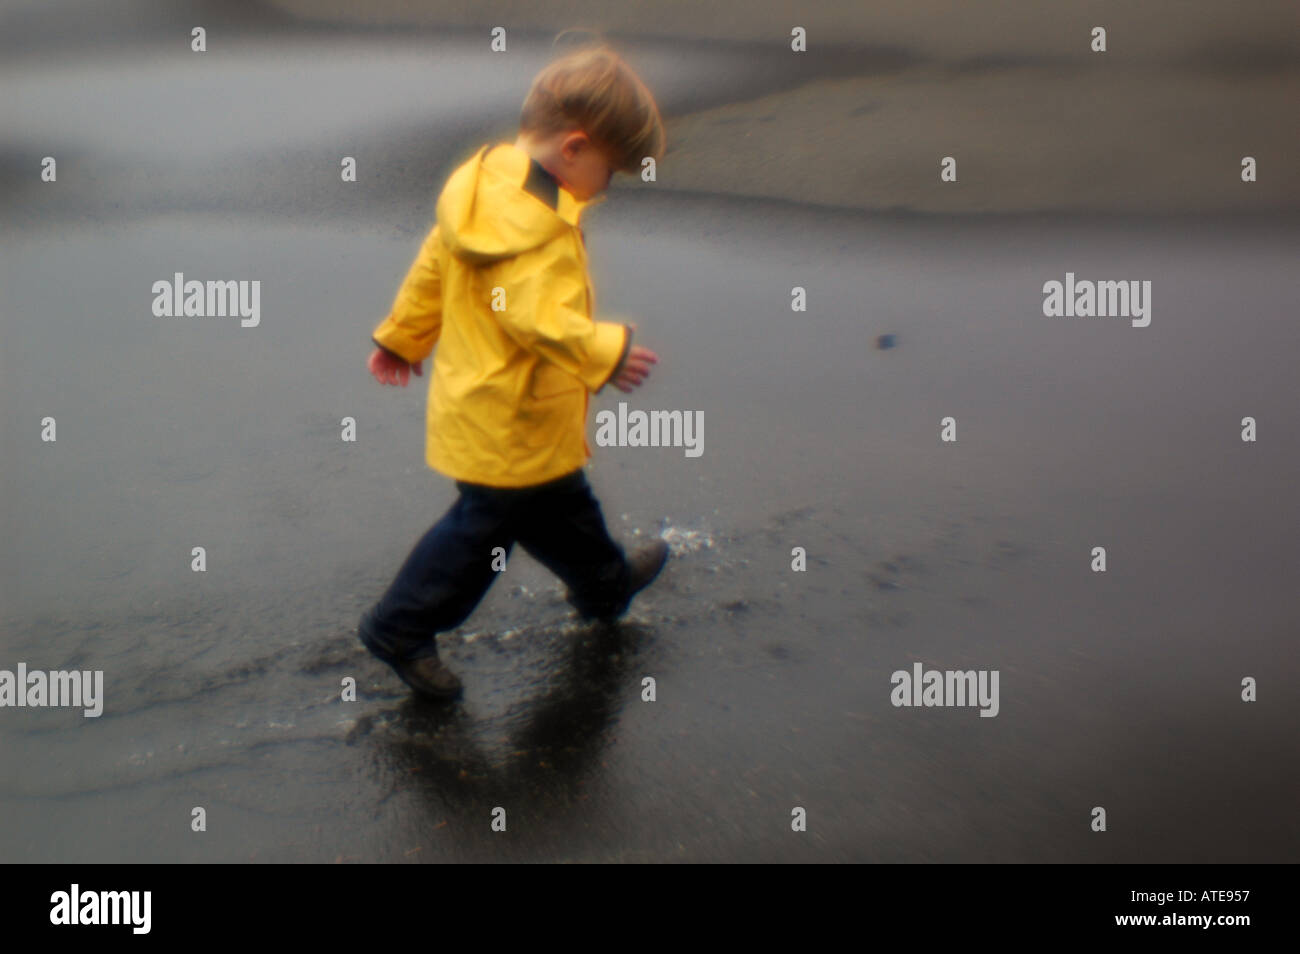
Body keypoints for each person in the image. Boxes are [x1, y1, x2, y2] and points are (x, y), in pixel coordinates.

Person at [357, 43, 669, 701]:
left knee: (562, 505)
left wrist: (403, 339)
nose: (606, 190)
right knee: (482, 531)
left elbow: (433, 270)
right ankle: (400, 626)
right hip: (513, 416)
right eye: (610, 173)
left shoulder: (481, 188)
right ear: (576, 149)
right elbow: (537, 320)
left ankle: (604, 587)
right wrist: (606, 354)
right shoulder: (538, 232)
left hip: (487, 405)